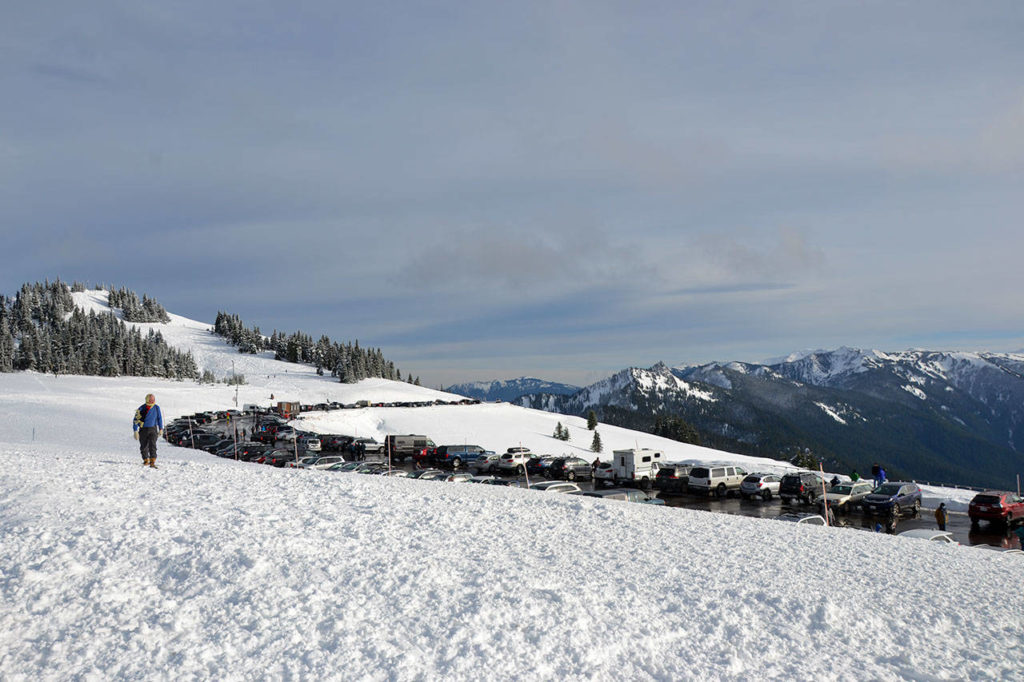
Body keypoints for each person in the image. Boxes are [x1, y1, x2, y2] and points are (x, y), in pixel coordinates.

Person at [133, 393, 163, 468]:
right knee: (144, 445)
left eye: (154, 399)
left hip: (153, 429)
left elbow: (159, 418)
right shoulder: (142, 408)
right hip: (143, 429)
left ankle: (152, 460)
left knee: (152, 444)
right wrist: (135, 430)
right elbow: (136, 420)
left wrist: (161, 429)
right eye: (151, 399)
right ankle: (146, 460)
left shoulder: (156, 408)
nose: (153, 401)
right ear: (147, 400)